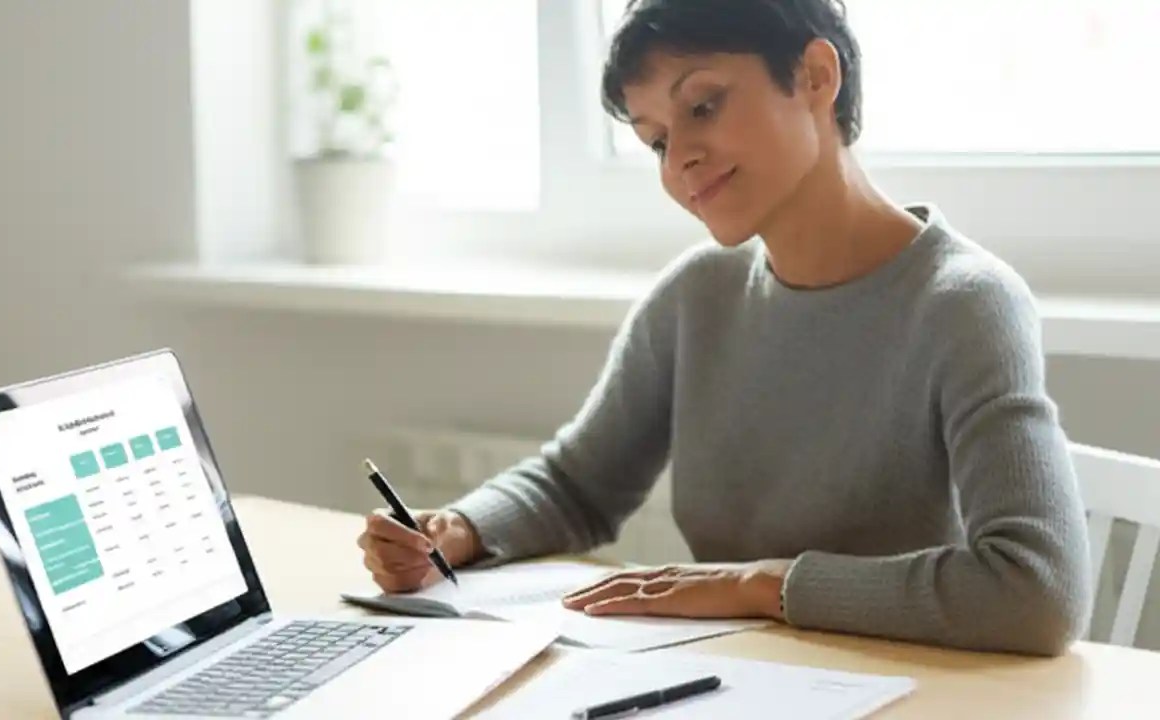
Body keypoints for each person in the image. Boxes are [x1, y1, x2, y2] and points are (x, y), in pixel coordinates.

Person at [356, 0, 1091, 656]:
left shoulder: (964, 304)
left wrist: (758, 585)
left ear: (814, 76)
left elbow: (1036, 591)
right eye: (654, 140)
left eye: (703, 106)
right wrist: (458, 529)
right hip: (740, 682)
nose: (679, 162)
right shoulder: (696, 296)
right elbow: (577, 484)